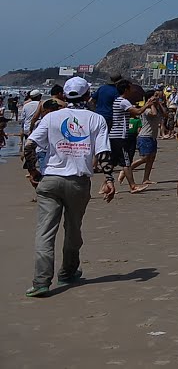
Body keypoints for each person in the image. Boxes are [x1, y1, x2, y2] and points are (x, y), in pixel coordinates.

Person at [22, 77, 115, 296]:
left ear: (64, 95)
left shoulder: (52, 117)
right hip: (78, 181)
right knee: (73, 229)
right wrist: (109, 178)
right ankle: (68, 271)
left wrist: (32, 170)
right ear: (87, 96)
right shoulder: (96, 119)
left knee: (45, 232)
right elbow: (103, 153)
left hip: (51, 179)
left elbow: (29, 145)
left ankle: (41, 281)